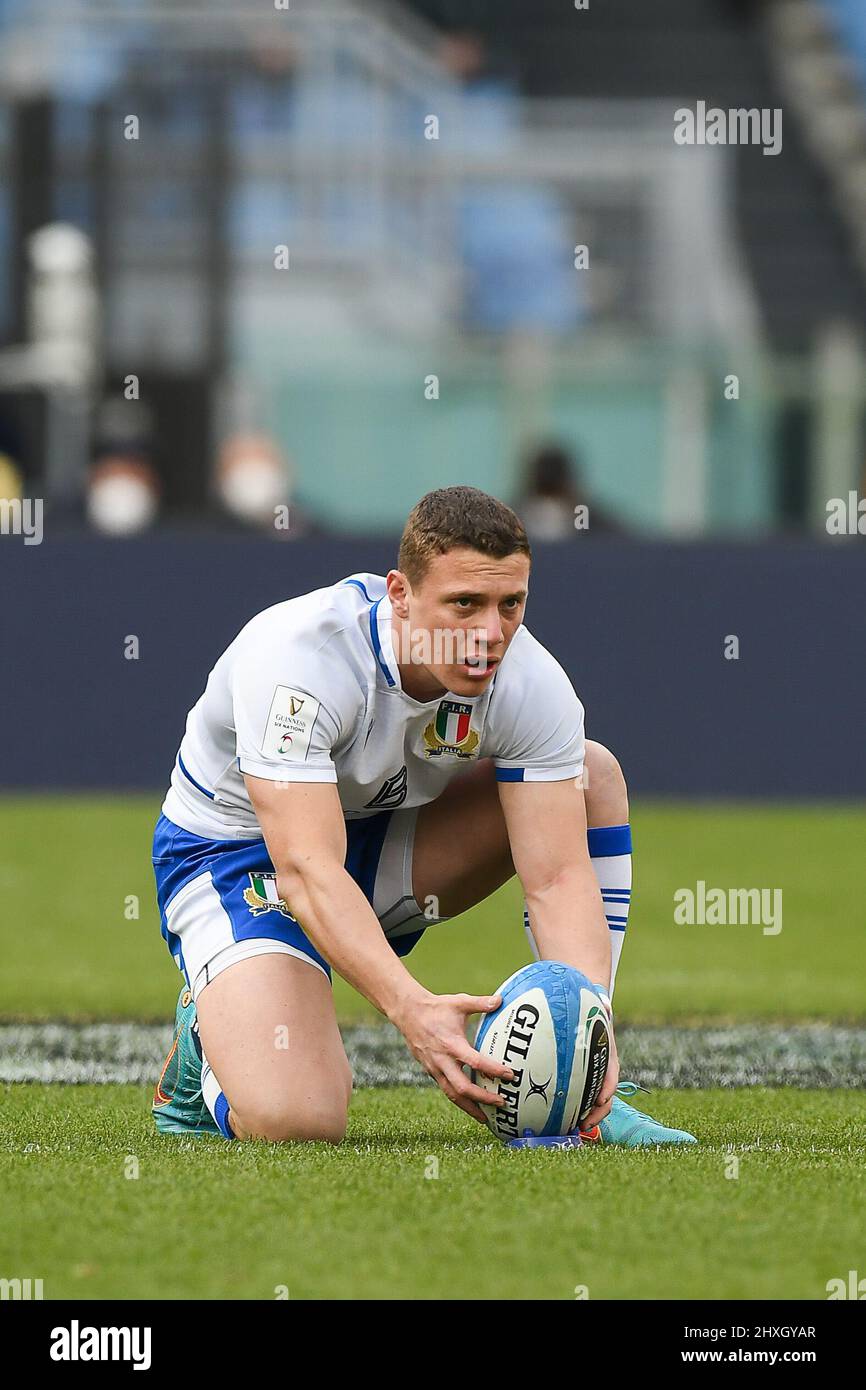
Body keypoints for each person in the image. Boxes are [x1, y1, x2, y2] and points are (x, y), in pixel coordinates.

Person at [151, 486, 694, 1147]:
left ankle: (602, 1104)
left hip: (377, 847)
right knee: (300, 1121)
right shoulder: (299, 661)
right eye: (463, 604)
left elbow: (555, 877)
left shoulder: (531, 682)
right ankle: (204, 1045)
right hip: (244, 861)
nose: (490, 635)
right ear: (400, 596)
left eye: (510, 605)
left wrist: (589, 1039)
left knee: (591, 775)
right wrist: (414, 1010)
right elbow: (306, 869)